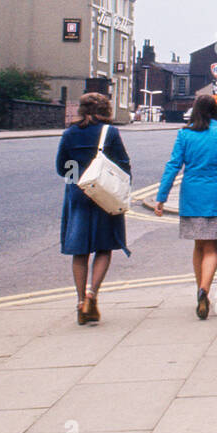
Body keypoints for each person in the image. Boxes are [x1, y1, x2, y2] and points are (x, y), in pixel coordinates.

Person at [154, 93, 217, 319]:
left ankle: (199, 290)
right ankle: (205, 289)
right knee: (212, 248)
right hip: (216, 197)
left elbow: (173, 165)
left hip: (192, 197)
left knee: (198, 247)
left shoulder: (185, 134)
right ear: (215, 111)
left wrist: (161, 197)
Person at [56, 92, 131, 325]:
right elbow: (124, 165)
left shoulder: (69, 134)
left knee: (80, 252)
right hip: (105, 197)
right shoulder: (111, 132)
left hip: (78, 195)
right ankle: (92, 295)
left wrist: (78, 177)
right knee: (103, 248)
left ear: (81, 109)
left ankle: (80, 302)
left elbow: (62, 167)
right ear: (106, 110)